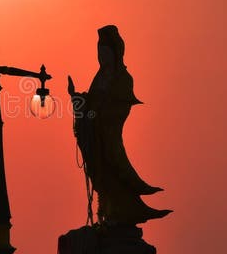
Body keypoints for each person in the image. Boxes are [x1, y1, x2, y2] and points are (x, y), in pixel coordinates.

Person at [68, 25, 171, 226]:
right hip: (95, 136)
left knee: (115, 169)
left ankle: (119, 212)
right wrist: (76, 98)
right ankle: (105, 213)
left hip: (108, 135)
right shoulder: (98, 79)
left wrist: (96, 114)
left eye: (105, 52)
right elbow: (90, 105)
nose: (101, 57)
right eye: (99, 52)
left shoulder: (122, 79)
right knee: (101, 177)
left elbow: (118, 108)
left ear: (115, 53)